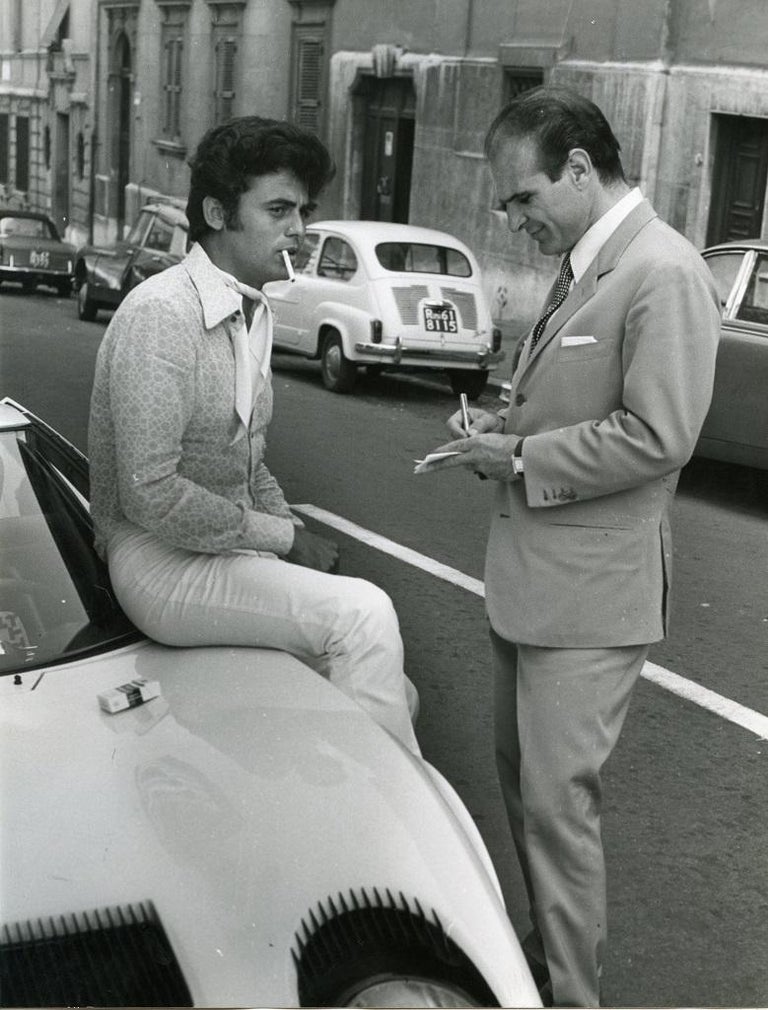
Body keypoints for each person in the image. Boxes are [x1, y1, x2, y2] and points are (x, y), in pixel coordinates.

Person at [416, 85, 720, 1005]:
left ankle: (571, 994)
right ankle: (550, 959)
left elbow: (659, 436)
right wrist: (505, 423)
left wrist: (516, 457)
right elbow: (572, 400)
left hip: (591, 596)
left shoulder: (663, 270)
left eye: (523, 198)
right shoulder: (588, 262)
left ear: (580, 169)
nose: (514, 221)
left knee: (557, 806)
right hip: (537, 585)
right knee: (528, 793)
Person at [88, 116, 420, 755]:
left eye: (303, 210)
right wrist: (284, 538)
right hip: (156, 562)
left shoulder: (248, 309)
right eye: (278, 210)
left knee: (398, 693)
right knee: (364, 615)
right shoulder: (163, 313)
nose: (299, 230)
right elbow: (148, 493)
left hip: (219, 550)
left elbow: (248, 459)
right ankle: (386, 809)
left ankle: (323, 788)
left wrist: (286, 528)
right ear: (217, 213)